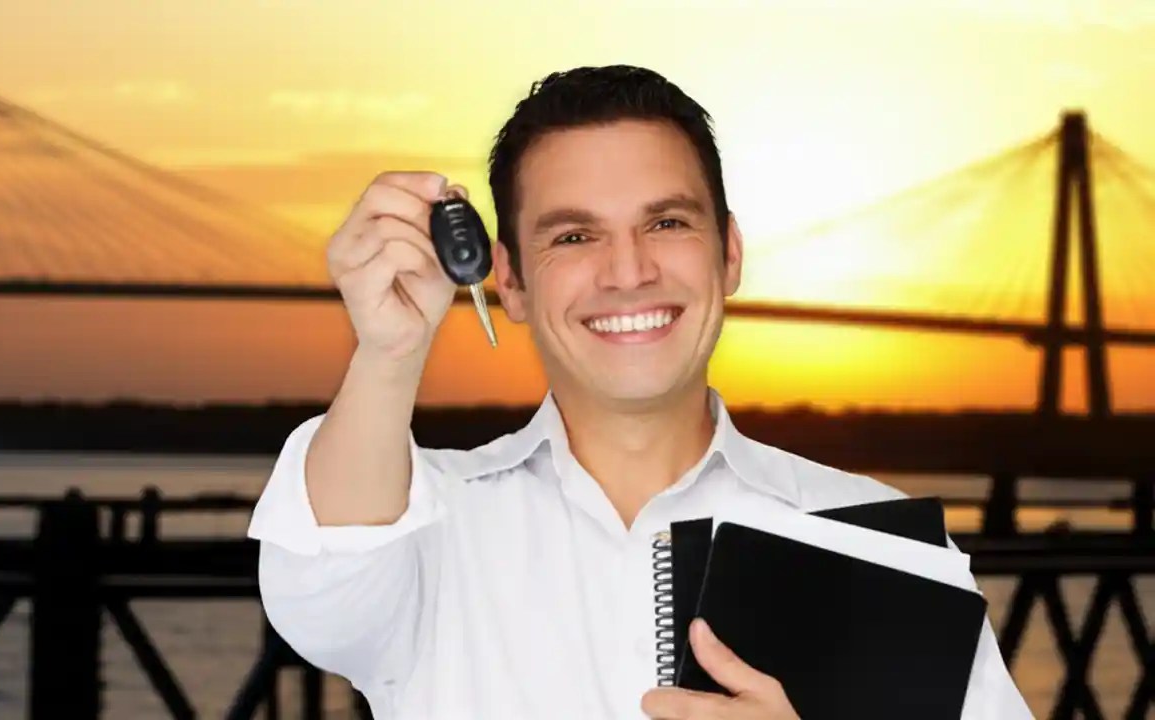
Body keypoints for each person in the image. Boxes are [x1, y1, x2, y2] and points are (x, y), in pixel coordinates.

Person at [247, 65, 1033, 719]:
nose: (628, 272)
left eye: (665, 224)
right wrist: (389, 350)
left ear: (729, 254)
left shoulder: (879, 545)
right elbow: (321, 589)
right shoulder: (432, 527)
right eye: (575, 236)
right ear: (508, 280)